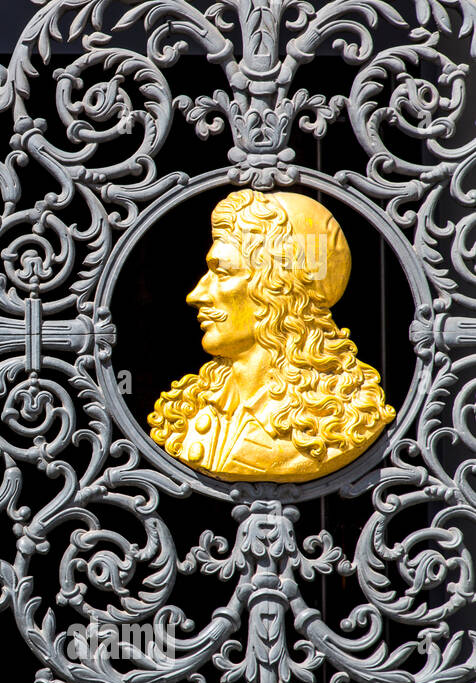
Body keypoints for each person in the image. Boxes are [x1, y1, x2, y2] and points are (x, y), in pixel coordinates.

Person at [148, 189, 393, 482]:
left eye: (222, 272)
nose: (196, 295)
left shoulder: (342, 422)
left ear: (278, 290)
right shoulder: (187, 412)